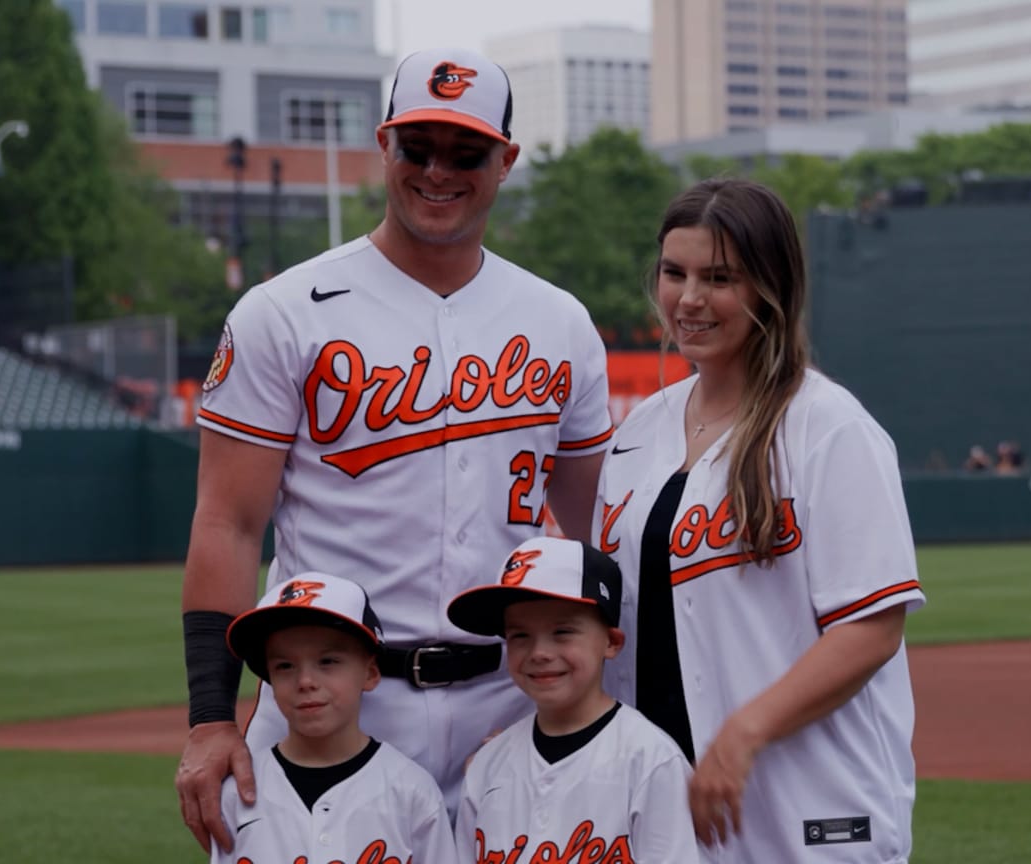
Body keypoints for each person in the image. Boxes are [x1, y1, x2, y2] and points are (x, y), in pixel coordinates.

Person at [176, 46, 615, 853]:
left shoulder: (559, 322)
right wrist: (210, 719)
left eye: (466, 152)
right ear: (384, 145)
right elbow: (228, 526)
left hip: (511, 710)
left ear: (506, 160)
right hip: (333, 712)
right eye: (416, 147)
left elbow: (597, 540)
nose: (437, 170)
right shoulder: (284, 312)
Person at [592, 179, 926, 862]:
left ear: (769, 286)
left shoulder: (827, 428)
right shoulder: (637, 435)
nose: (689, 298)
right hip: (668, 811)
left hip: (809, 805)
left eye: (719, 278)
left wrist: (744, 732)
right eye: (674, 272)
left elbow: (871, 628)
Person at [445, 537, 702, 863]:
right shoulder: (488, 766)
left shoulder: (650, 760)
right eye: (520, 635)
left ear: (611, 642)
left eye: (562, 631)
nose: (539, 653)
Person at [216, 572, 457, 864]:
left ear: (370, 673)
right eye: (285, 665)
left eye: (327, 661)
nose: (305, 681)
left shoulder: (412, 791)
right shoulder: (239, 794)